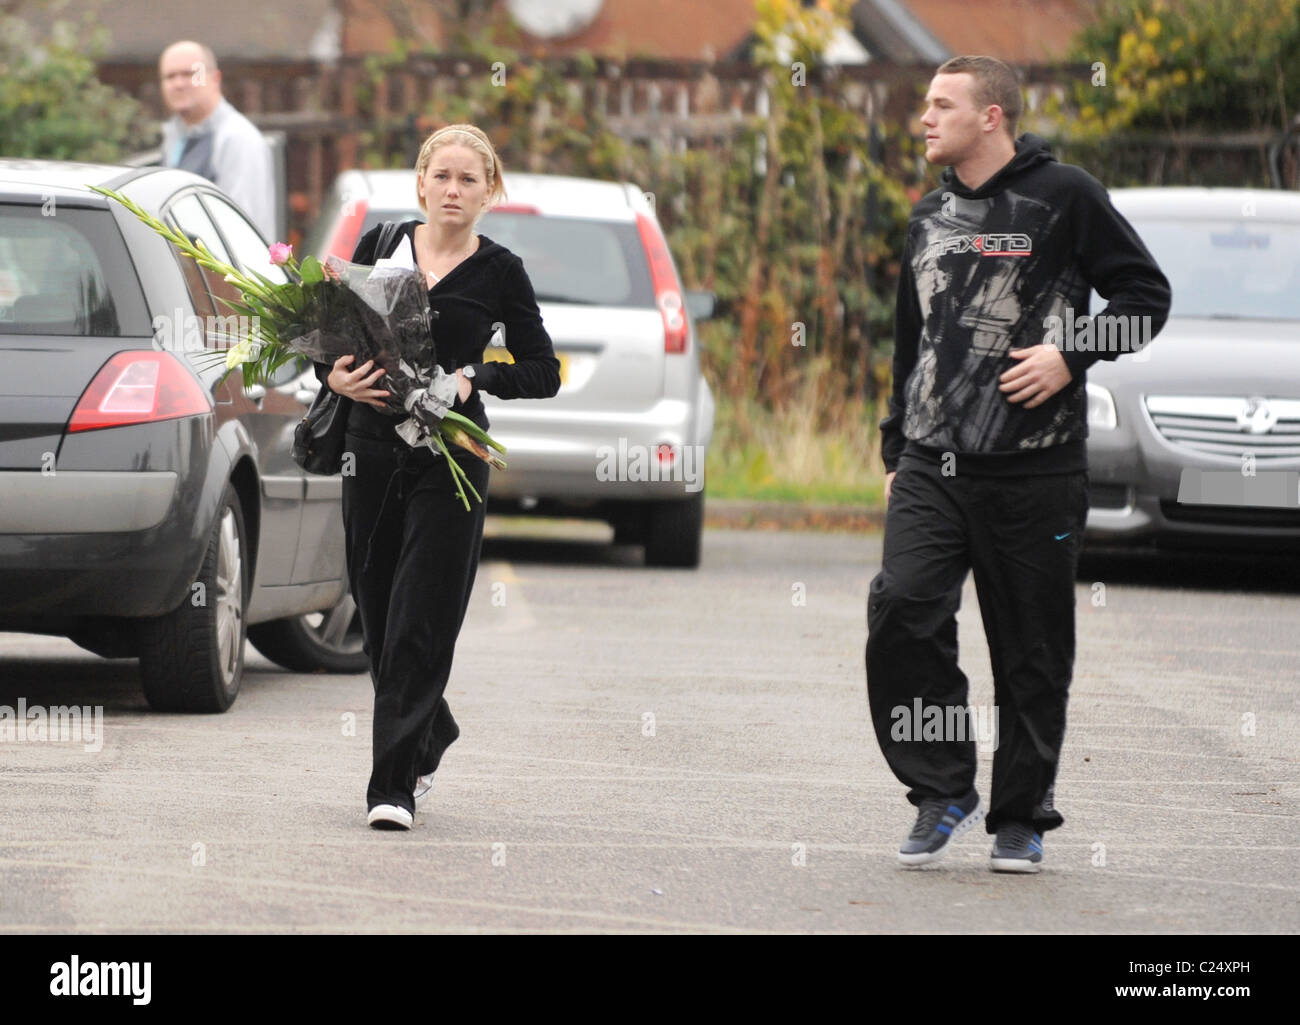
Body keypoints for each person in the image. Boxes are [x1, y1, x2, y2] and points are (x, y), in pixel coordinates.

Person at [865, 56, 1170, 872]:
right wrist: (897, 447)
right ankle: (943, 788)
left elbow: (1146, 296)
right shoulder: (927, 217)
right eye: (925, 103)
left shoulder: (1065, 196)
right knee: (902, 607)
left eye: (942, 104)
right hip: (934, 463)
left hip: (1035, 471)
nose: (925, 118)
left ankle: (1020, 813)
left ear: (991, 116)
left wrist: (1073, 354)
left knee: (1032, 649)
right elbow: (910, 344)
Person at [320, 124, 561, 830]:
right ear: (421, 182)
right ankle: (432, 728)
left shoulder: (500, 272)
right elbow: (333, 339)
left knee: (420, 620)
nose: (454, 190)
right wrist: (332, 374)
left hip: (452, 456)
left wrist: (473, 377)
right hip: (369, 450)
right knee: (375, 615)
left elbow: (543, 370)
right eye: (443, 176)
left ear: (490, 192)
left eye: (469, 180)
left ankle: (392, 785)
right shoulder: (380, 246)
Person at [158, 40, 276, 239]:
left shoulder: (237, 139)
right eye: (170, 76)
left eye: (189, 74)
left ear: (214, 79)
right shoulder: (175, 135)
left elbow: (241, 232)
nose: (178, 84)